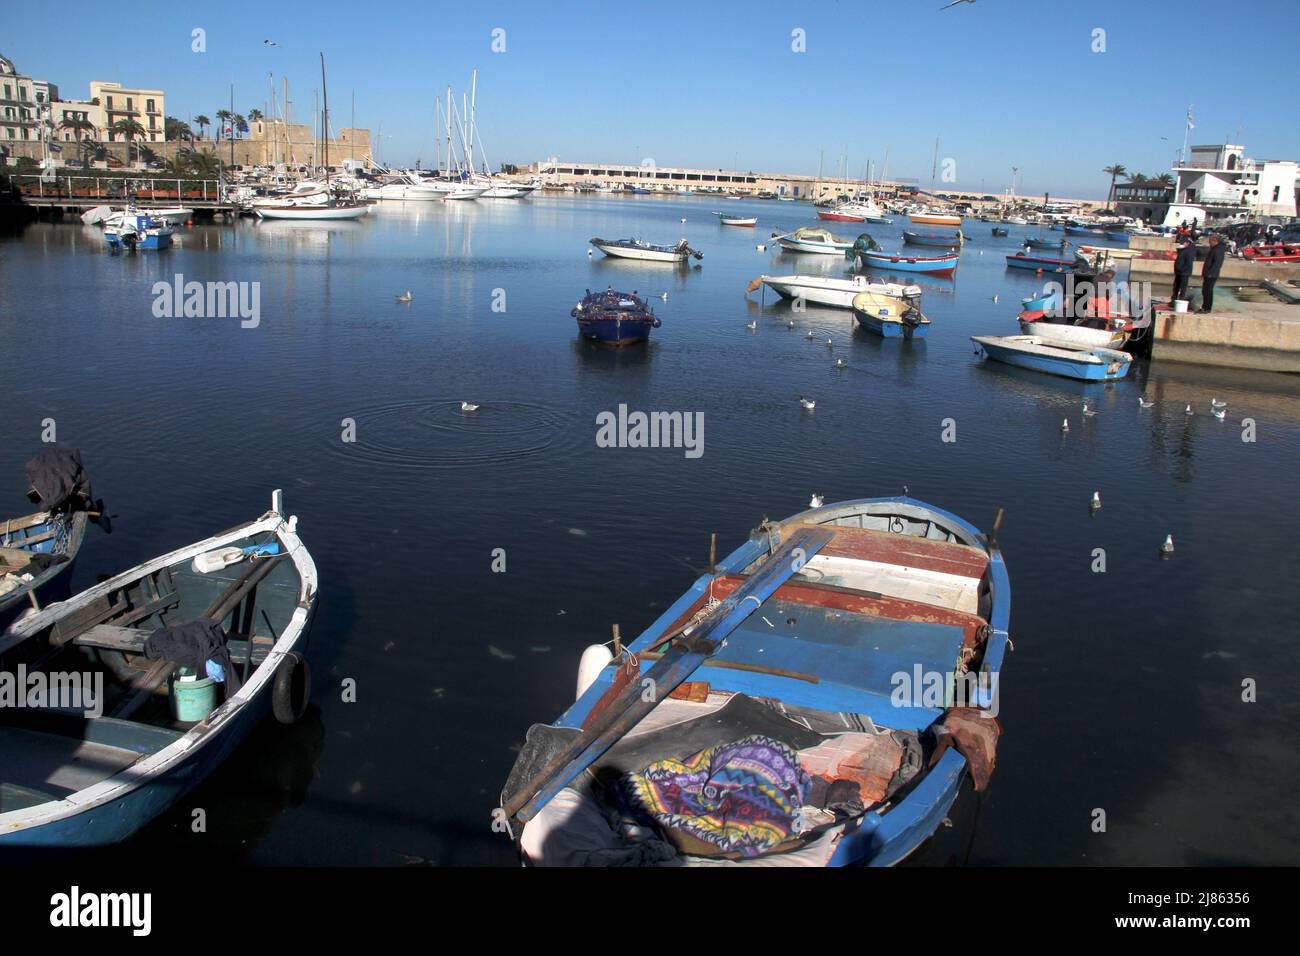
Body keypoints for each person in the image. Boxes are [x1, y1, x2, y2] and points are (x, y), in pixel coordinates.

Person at [1199, 235, 1225, 313]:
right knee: (1205, 291)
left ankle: (1207, 308)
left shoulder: (1218, 250)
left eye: (1210, 242)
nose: (1209, 243)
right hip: (1208, 273)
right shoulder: (1214, 249)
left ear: (1215, 241)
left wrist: (1209, 273)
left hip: (1211, 274)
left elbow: (1217, 264)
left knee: (1208, 291)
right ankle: (1204, 306)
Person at [1172, 236, 1194, 306]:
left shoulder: (1189, 251)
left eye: (1183, 243)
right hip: (1178, 272)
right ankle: (1173, 300)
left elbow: (1188, 263)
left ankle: (1181, 300)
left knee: (1183, 288)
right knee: (1176, 287)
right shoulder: (1182, 250)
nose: (1181, 244)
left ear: (1187, 243)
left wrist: (1182, 270)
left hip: (1184, 273)